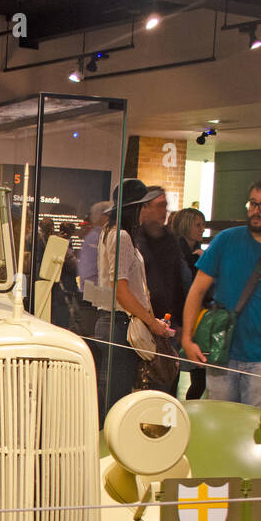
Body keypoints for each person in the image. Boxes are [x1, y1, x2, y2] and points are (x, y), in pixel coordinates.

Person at [180, 178, 261, 410]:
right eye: (253, 203)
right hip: (222, 349)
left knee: (252, 430)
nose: (256, 211)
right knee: (220, 422)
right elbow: (197, 290)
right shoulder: (226, 240)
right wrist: (187, 339)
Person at [95, 179, 175, 419]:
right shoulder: (122, 236)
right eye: (143, 206)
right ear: (136, 208)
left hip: (113, 322)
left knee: (114, 398)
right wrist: (152, 323)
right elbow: (121, 289)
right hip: (122, 325)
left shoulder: (107, 233)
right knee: (119, 401)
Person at [131, 188, 187, 396]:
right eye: (160, 205)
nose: (164, 211)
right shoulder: (134, 239)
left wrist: (181, 323)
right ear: (144, 208)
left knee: (166, 378)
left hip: (166, 323)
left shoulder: (171, 241)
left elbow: (177, 282)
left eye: (165, 205)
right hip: (141, 322)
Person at [169, 206, 208, 398]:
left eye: (203, 225)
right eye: (198, 225)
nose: (202, 229)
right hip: (179, 320)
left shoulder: (197, 254)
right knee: (176, 373)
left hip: (194, 319)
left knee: (198, 375)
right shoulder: (178, 253)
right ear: (185, 226)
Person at [77, 200, 111, 339]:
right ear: (103, 217)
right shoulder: (97, 237)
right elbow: (90, 271)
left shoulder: (94, 236)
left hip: (92, 295)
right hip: (95, 296)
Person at [54, 221, 80, 330]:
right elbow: (74, 266)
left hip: (63, 286)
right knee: (66, 319)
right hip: (64, 287)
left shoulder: (57, 242)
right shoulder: (63, 244)